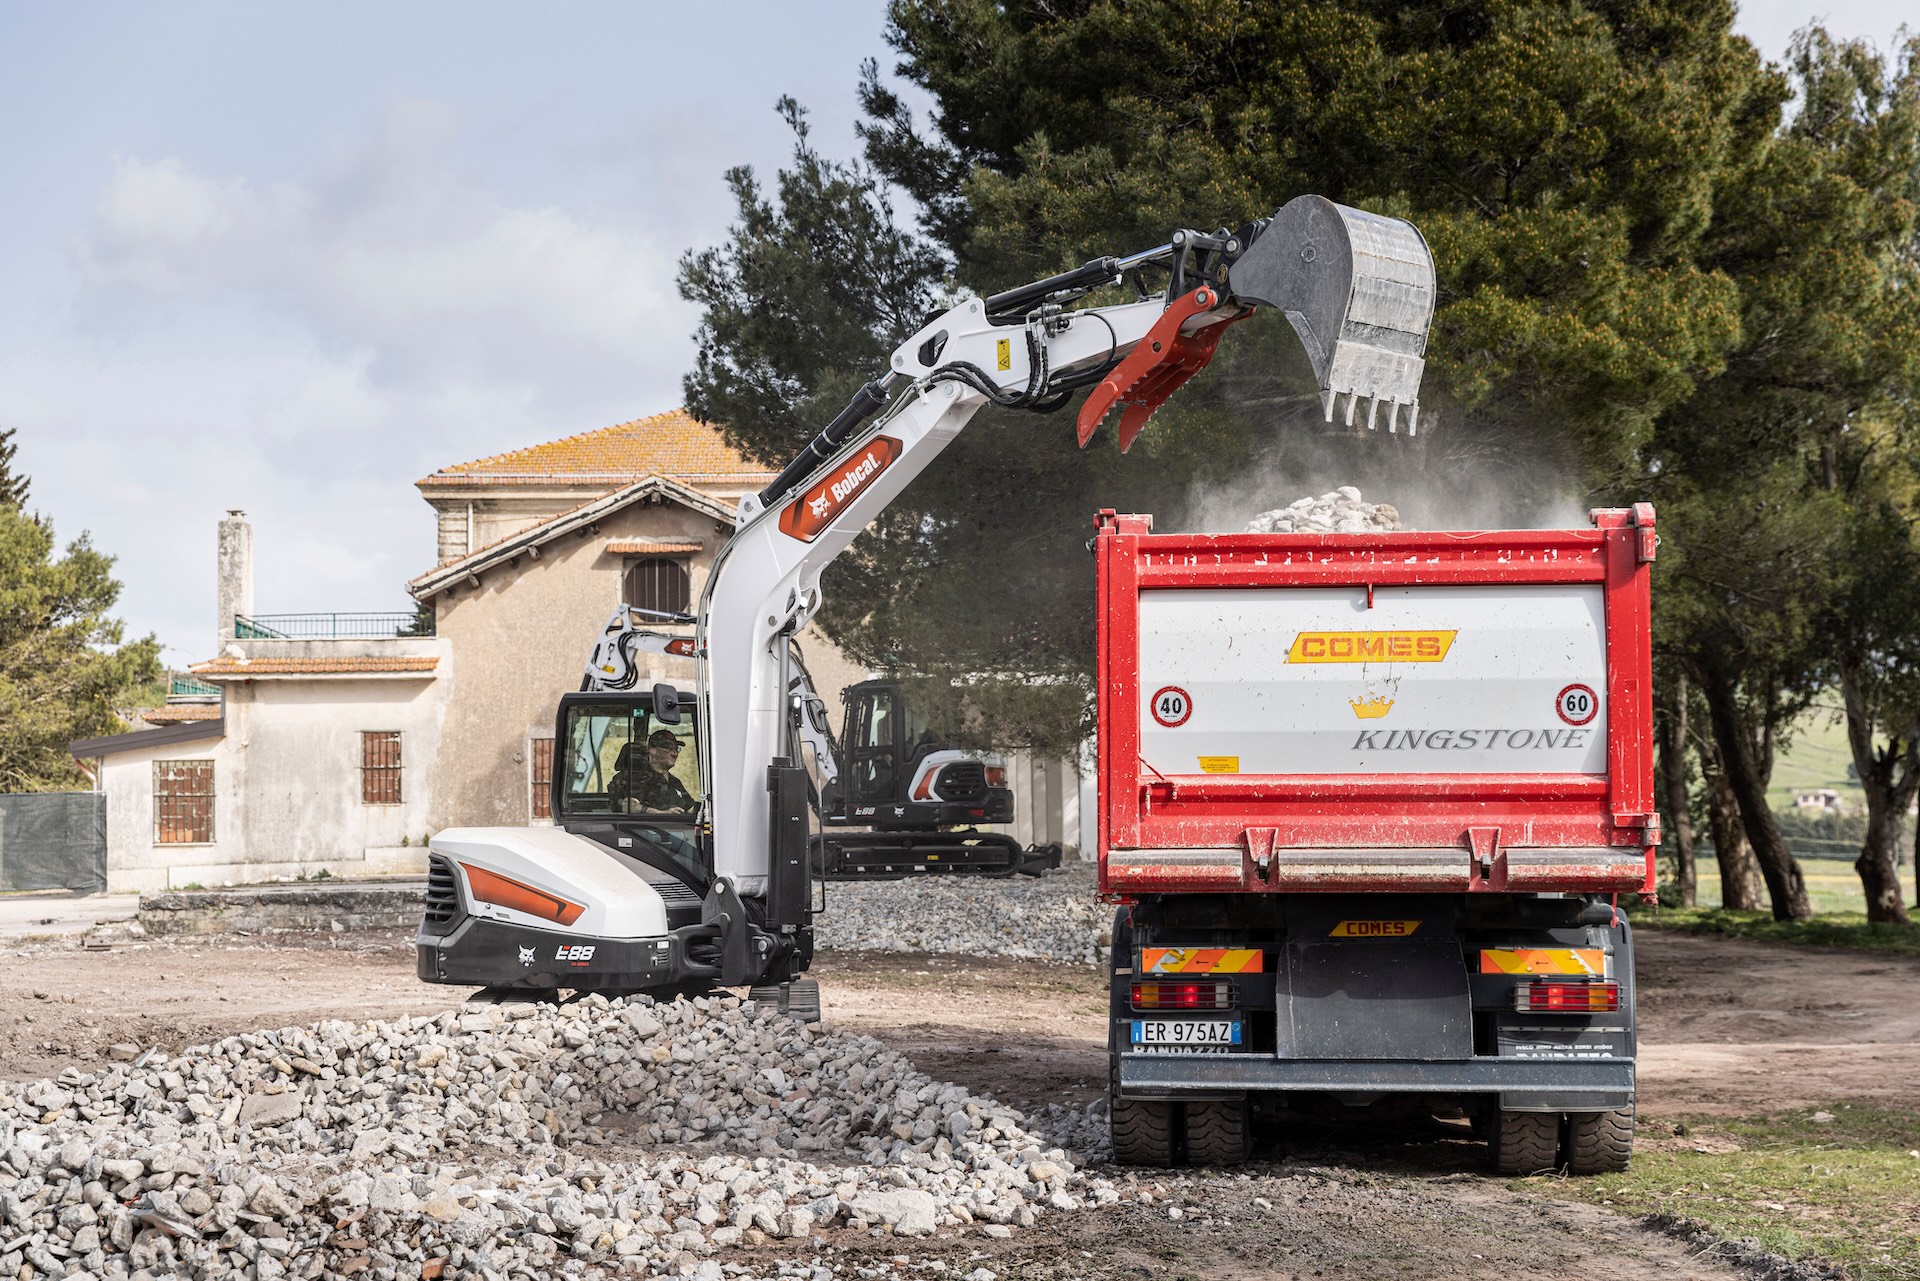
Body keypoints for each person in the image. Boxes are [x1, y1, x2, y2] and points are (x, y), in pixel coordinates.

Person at [614, 728, 694, 812]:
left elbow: (690, 807)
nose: (675, 754)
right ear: (652, 750)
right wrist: (662, 814)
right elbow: (628, 806)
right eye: (668, 748)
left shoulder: (675, 782)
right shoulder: (637, 778)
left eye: (676, 749)